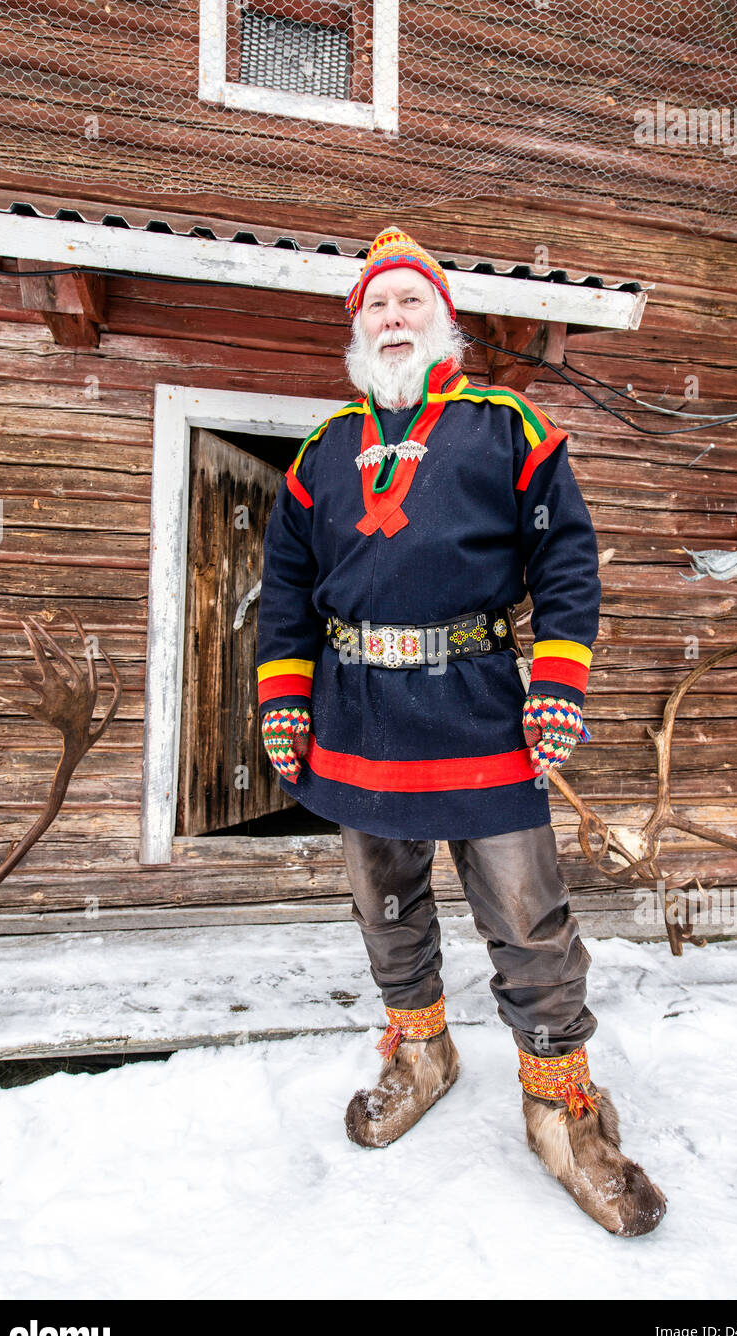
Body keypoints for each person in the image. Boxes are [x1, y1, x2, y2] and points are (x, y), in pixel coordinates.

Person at [255, 226, 666, 1236]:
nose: (391, 320)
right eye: (375, 308)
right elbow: (287, 594)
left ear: (441, 323)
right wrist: (284, 696)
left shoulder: (505, 425)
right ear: (358, 331)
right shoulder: (319, 456)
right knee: (383, 906)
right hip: (358, 717)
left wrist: (560, 677)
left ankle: (563, 1108)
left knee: (528, 917)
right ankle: (421, 1050)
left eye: (408, 304)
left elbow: (567, 559)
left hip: (480, 705)